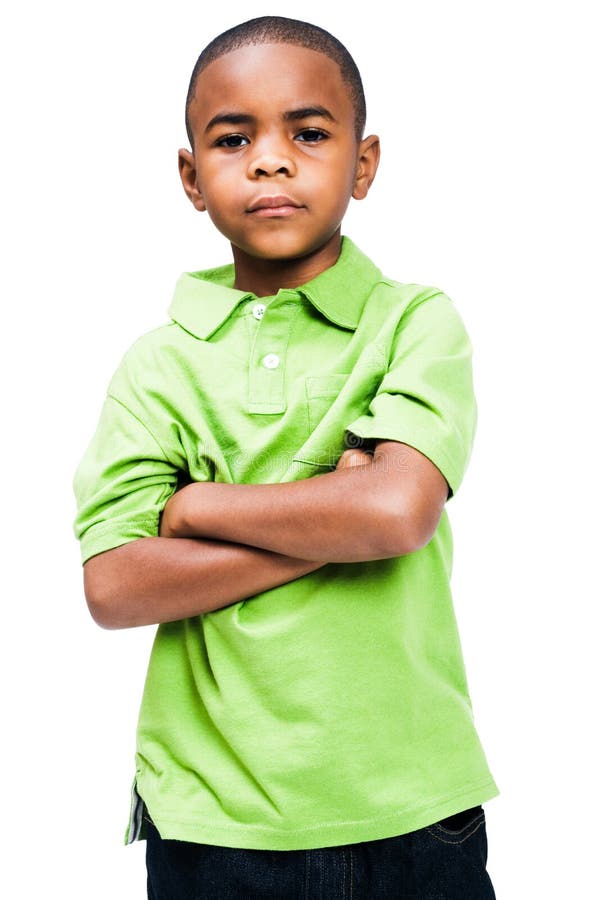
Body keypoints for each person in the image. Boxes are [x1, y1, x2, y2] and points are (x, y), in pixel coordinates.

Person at [72, 15, 499, 899]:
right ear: (192, 177)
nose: (270, 160)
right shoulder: (158, 362)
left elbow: (395, 512)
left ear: (363, 163)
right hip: (211, 818)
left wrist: (196, 509)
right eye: (233, 139)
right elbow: (115, 586)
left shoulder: (413, 320)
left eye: (308, 133)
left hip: (413, 808)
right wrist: (334, 516)